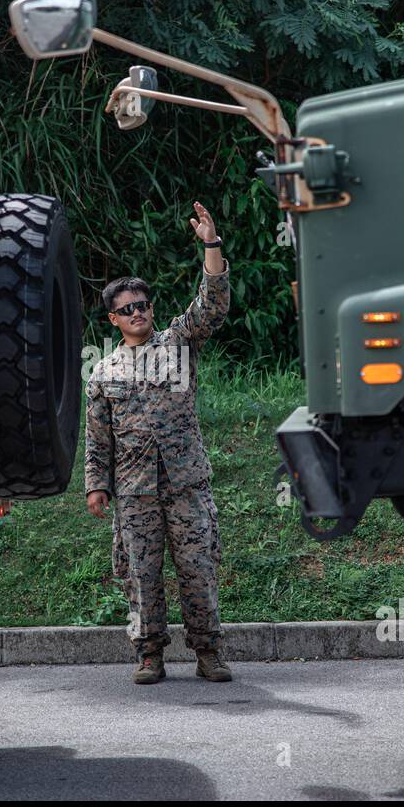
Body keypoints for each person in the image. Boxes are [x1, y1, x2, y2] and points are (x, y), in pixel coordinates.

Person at [84, 201, 232, 685]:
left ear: (152, 308)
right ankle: (149, 654)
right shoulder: (102, 373)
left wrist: (210, 244)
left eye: (143, 305)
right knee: (139, 576)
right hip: (133, 491)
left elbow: (210, 306)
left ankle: (208, 652)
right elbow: (98, 439)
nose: (137, 313)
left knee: (197, 569)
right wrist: (95, 486)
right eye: (126, 309)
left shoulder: (177, 345)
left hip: (186, 483)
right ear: (113, 319)